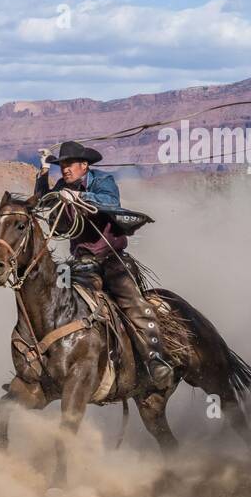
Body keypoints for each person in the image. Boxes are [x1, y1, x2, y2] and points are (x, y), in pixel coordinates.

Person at [34, 140, 174, 389]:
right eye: (61, 165)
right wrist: (43, 173)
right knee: (53, 299)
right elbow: (43, 202)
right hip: (80, 262)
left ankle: (156, 360)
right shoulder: (61, 187)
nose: (64, 169)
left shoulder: (103, 181)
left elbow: (110, 203)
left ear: (84, 165)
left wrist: (79, 196)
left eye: (69, 164)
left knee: (132, 302)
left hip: (110, 259)